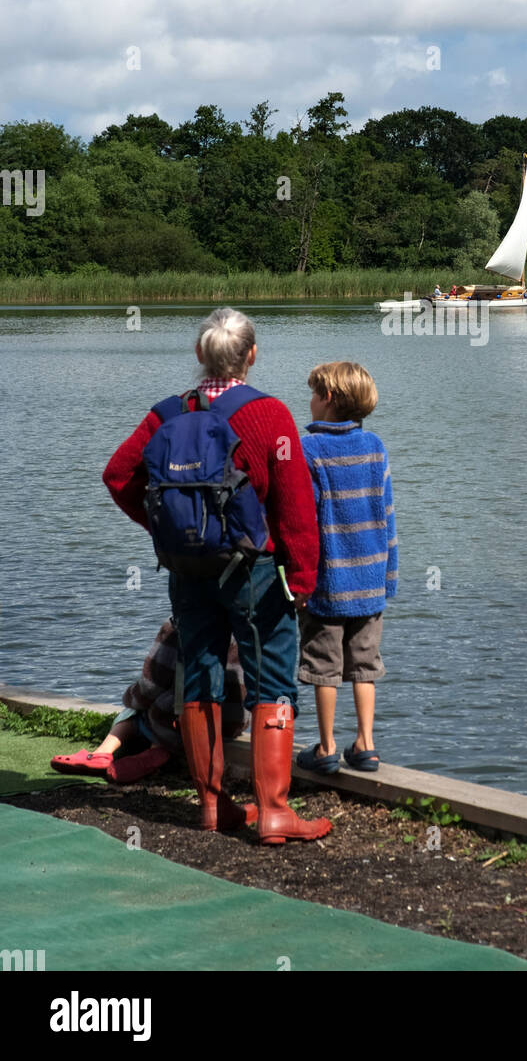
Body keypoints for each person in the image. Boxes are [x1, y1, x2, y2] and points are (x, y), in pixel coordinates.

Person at [103, 307, 331, 844]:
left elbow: (117, 475)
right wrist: (301, 578)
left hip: (187, 569)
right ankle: (274, 812)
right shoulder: (270, 416)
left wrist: (165, 530)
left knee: (199, 674)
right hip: (254, 570)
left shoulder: (166, 414)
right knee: (272, 680)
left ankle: (212, 805)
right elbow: (296, 506)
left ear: (200, 356)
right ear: (251, 355)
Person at [295, 362, 397, 775]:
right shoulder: (375, 447)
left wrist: (300, 578)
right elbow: (387, 516)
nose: (311, 400)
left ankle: (326, 746)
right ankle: (367, 744)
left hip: (327, 582)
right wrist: (388, 577)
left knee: (324, 667)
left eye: (315, 393)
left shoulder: (309, 450)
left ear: (330, 400)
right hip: (371, 580)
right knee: (365, 664)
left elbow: (304, 521)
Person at [50, 620, 247, 785]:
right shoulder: (244, 624)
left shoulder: (179, 623)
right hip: (232, 723)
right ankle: (155, 751)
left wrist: (129, 699)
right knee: (188, 691)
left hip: (180, 722)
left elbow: (149, 688)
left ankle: (106, 752)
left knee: (135, 711)